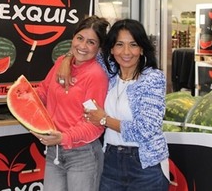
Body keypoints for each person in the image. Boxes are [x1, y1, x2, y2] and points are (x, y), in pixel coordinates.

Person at [84, 19, 169, 191]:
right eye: (119, 45)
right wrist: (66, 61)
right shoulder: (110, 74)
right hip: (110, 161)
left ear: (142, 49)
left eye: (133, 45)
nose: (126, 52)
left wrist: (104, 120)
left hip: (146, 166)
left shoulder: (153, 78)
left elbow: (146, 129)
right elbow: (83, 52)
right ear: (111, 49)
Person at [32, 16, 110, 191]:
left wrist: (64, 137)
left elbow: (94, 124)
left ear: (99, 48)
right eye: (80, 38)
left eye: (91, 42)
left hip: (83, 155)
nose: (83, 46)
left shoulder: (95, 76)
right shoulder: (62, 62)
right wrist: (23, 96)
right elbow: (44, 91)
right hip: (54, 151)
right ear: (73, 38)